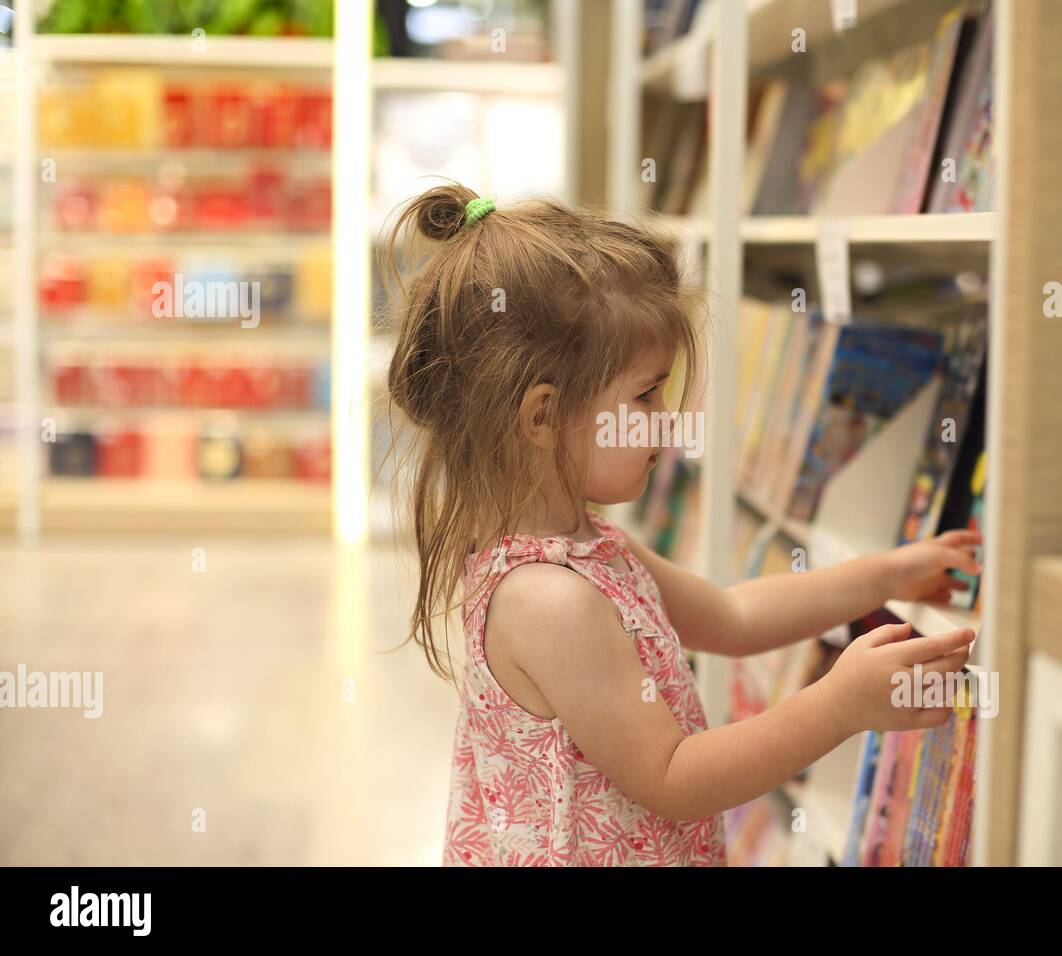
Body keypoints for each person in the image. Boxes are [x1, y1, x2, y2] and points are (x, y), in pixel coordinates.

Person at [382, 183, 979, 866]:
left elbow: (733, 615)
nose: (667, 419)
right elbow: (674, 777)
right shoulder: (548, 602)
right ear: (542, 418)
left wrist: (890, 572)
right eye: (645, 394)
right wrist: (839, 706)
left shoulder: (592, 548)